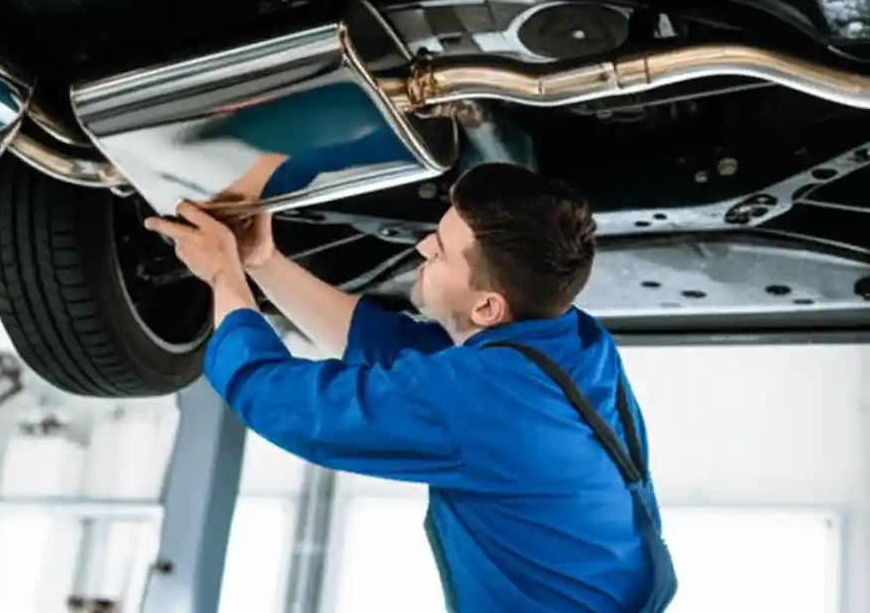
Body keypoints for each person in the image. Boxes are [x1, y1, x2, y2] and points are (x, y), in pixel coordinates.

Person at [143, 162, 677, 612]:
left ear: (488, 308)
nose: (422, 247)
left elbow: (285, 403)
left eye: (441, 251)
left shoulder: (493, 404)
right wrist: (260, 264)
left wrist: (221, 277)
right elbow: (390, 348)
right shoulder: (569, 341)